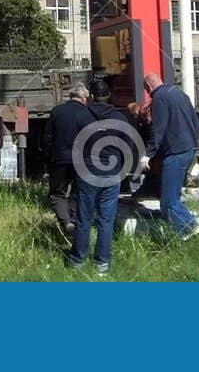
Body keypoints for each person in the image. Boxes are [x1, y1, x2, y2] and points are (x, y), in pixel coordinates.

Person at [65, 76, 139, 275]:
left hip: (87, 172)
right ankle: (102, 264)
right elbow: (129, 148)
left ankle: (78, 260)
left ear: (91, 96)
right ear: (109, 96)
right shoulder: (120, 119)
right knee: (106, 219)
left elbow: (73, 145)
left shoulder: (81, 117)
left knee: (84, 218)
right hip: (112, 173)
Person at [141, 71, 199, 240]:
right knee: (174, 195)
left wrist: (148, 155)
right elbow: (195, 121)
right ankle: (184, 233)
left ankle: (190, 228)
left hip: (175, 154)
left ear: (148, 87)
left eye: (146, 89)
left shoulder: (159, 99)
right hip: (189, 149)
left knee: (168, 201)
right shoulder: (180, 94)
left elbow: (157, 129)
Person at [46, 83, 93, 235]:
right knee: (79, 191)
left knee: (57, 193)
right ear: (84, 97)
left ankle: (65, 222)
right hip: (82, 161)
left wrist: (48, 156)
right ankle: (74, 220)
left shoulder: (57, 111)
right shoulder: (88, 112)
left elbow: (47, 137)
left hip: (59, 159)